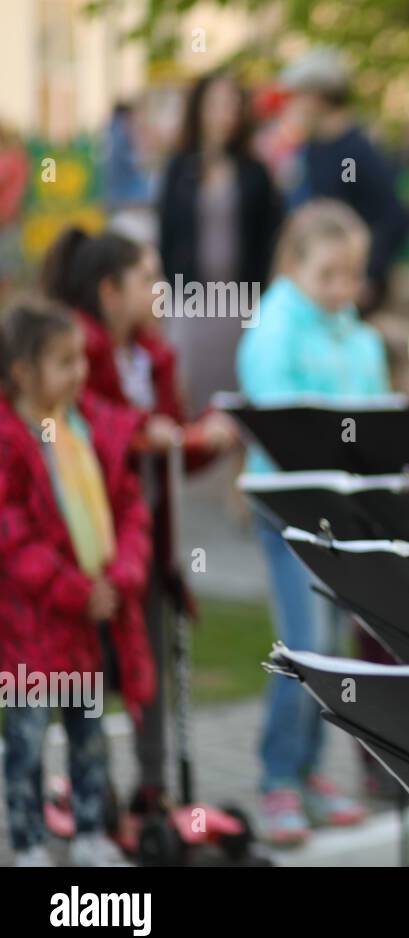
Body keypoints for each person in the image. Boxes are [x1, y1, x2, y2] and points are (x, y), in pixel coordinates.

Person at [40, 226, 240, 819]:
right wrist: (138, 431)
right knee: (88, 668)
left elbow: (171, 440)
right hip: (87, 538)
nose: (160, 290)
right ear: (110, 291)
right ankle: (88, 783)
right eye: (148, 278)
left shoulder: (152, 356)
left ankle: (152, 786)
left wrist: (209, 433)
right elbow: (79, 423)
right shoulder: (76, 351)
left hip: (148, 538)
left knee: (149, 656)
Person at [236, 199, 388, 846]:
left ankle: (308, 772)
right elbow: (282, 420)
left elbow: (376, 415)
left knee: (330, 648)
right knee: (304, 648)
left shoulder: (357, 333)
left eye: (352, 275)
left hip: (343, 514)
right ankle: (277, 779)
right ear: (293, 266)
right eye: (328, 274)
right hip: (291, 511)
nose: (343, 289)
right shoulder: (271, 331)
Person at [0, 297, 155, 866]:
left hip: (88, 621)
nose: (80, 372)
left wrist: (119, 576)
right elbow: (11, 535)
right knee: (26, 741)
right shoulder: (10, 439)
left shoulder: (80, 431)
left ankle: (91, 830)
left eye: (81, 360)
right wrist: (75, 590)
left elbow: (126, 509)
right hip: (29, 627)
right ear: (23, 372)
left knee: (90, 735)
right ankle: (28, 842)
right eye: (65, 362)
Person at [157, 70, 282, 412]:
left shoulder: (255, 172)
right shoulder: (179, 170)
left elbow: (269, 236)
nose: (225, 114)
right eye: (216, 104)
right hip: (193, 299)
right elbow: (166, 235)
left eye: (232, 105)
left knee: (243, 392)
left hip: (242, 300)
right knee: (192, 392)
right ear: (198, 109)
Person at [280, 48, 408, 314]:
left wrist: (366, 275)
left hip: (348, 291)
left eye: (299, 96)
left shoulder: (356, 152)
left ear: (318, 97)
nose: (293, 105)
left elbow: (393, 218)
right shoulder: (314, 148)